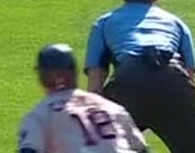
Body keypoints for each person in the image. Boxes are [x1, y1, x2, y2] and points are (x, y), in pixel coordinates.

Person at [86, 0, 195, 153]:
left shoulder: (103, 23)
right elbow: (190, 79)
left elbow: (95, 83)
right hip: (173, 81)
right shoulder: (177, 24)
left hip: (129, 81)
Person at [19, 44, 149, 153]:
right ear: (75, 72)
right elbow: (142, 150)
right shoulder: (111, 107)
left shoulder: (41, 114)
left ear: (42, 76)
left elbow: (29, 151)